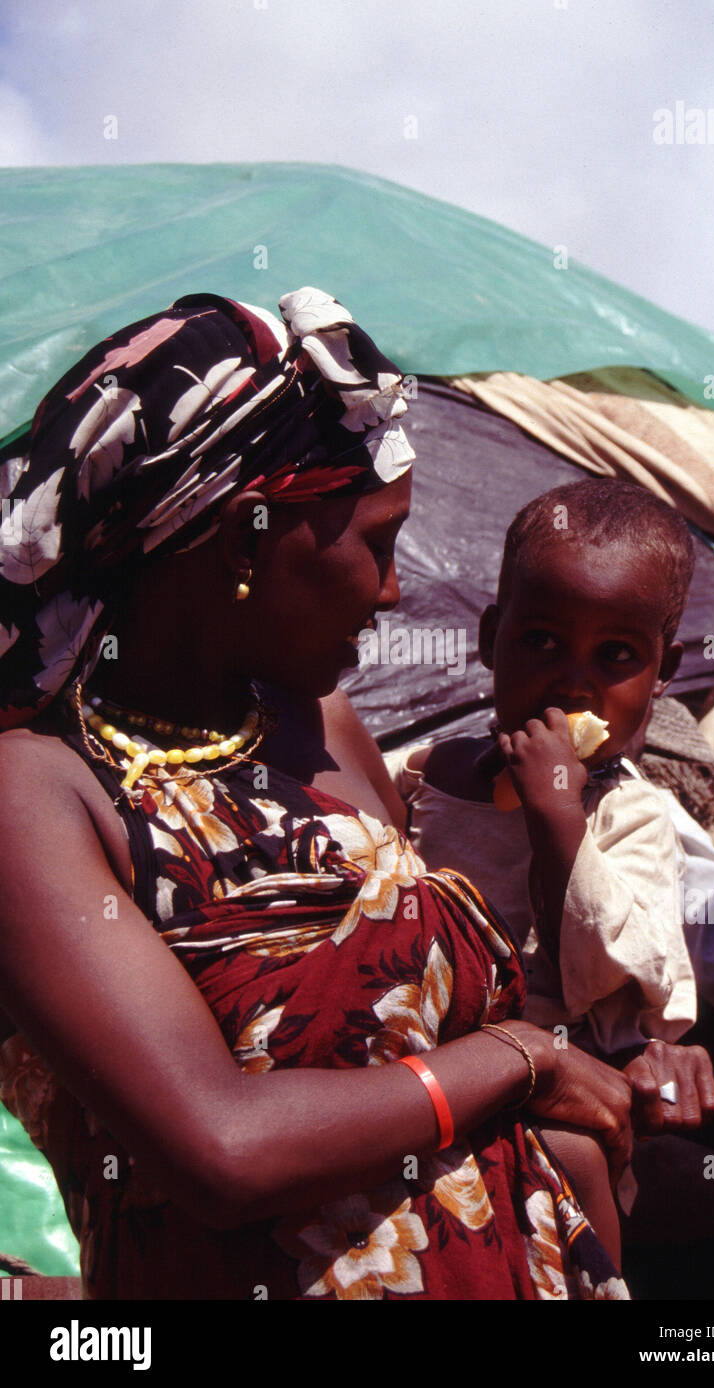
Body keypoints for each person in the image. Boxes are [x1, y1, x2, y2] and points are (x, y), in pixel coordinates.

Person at [0, 290, 632, 1300]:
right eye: (376, 545)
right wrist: (518, 1061)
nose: (392, 591)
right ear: (247, 545)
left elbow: (453, 1020)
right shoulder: (37, 793)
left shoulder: (318, 722)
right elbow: (224, 1149)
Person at [400, 481, 714, 1132]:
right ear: (492, 638)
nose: (574, 684)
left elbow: (609, 972)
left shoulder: (633, 816)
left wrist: (558, 817)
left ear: (663, 672)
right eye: (542, 641)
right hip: (407, 1061)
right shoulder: (429, 773)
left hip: (545, 1098)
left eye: (616, 656)